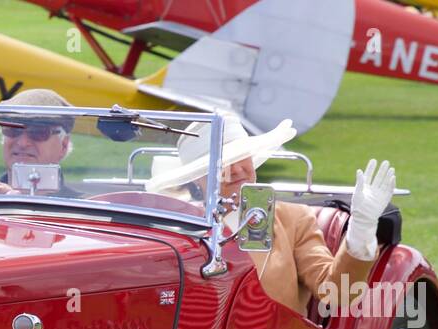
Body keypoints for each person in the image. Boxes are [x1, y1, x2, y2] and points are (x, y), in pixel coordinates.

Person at [146, 115, 396, 317]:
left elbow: (336, 293)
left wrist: (362, 226)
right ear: (196, 180)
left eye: (240, 156)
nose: (235, 170)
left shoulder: (292, 219)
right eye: (220, 163)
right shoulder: (178, 224)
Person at [0, 88, 78, 196]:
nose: (22, 143)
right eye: (12, 129)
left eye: (38, 132)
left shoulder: (84, 209)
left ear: (63, 145)